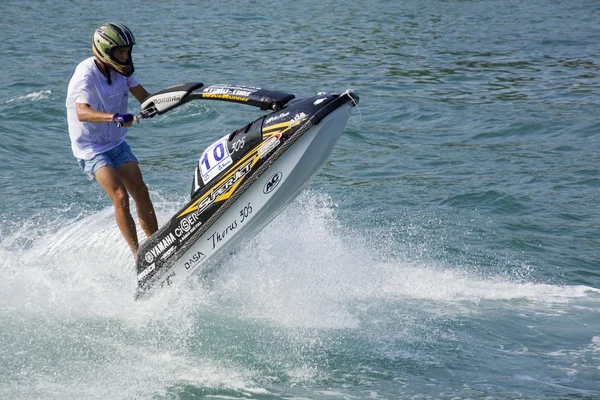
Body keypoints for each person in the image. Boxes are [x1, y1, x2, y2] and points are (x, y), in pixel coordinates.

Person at [66, 22, 158, 261]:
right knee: (120, 196)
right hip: (90, 147)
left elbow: (145, 98)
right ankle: (139, 256)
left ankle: (159, 245)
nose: (125, 56)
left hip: (115, 143)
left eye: (128, 51)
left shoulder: (123, 71)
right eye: (120, 51)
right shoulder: (86, 73)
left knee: (140, 190)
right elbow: (82, 112)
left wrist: (171, 100)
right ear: (105, 50)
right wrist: (115, 117)